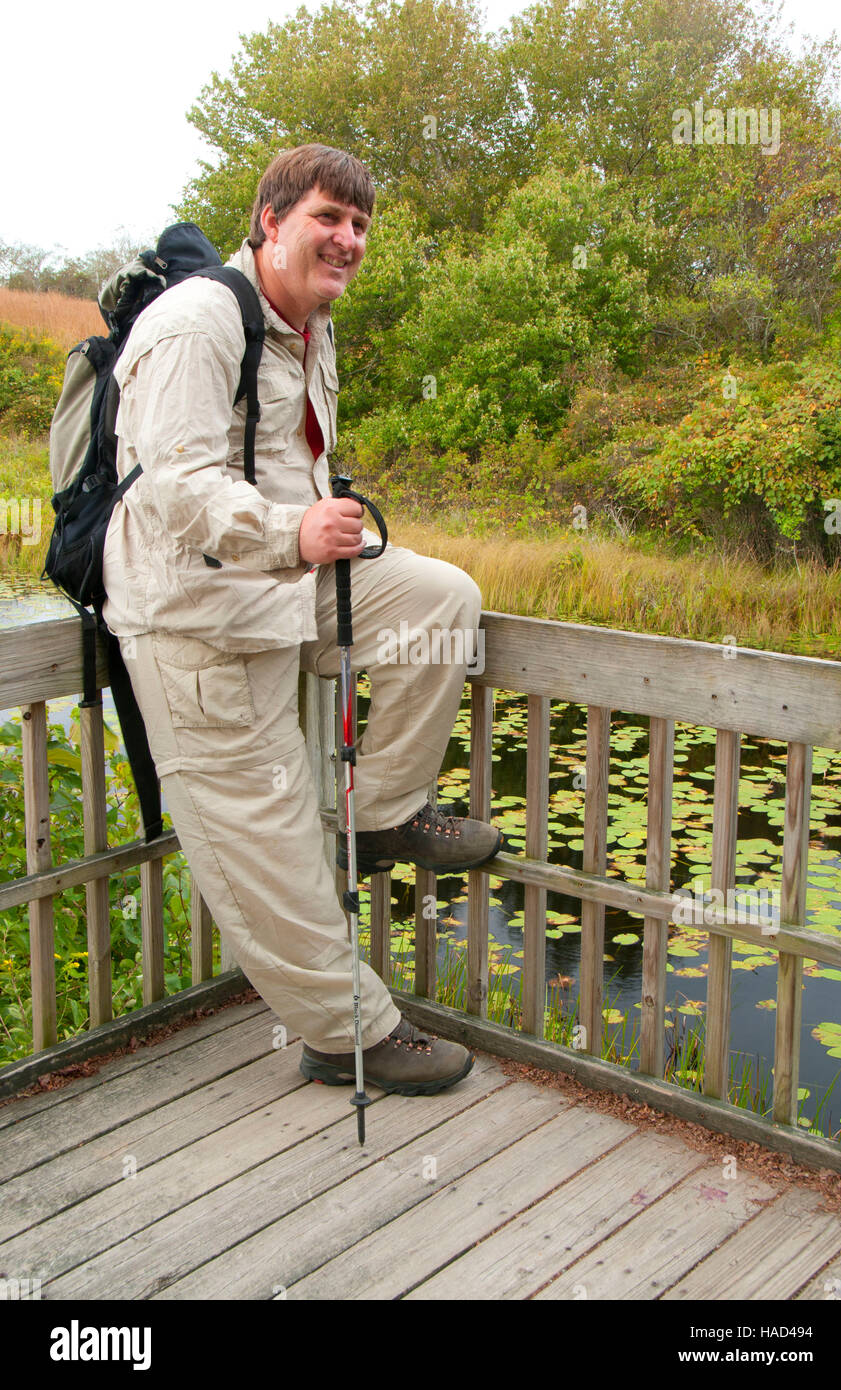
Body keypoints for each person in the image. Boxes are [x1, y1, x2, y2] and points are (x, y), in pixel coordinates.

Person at [101, 144, 502, 1095]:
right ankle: (346, 1035)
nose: (349, 239)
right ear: (270, 221)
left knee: (440, 599)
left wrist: (310, 528)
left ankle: (381, 816)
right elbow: (174, 487)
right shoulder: (195, 323)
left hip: (280, 579)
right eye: (329, 217)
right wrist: (291, 528)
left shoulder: (308, 328)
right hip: (196, 618)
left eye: (360, 224)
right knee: (270, 842)